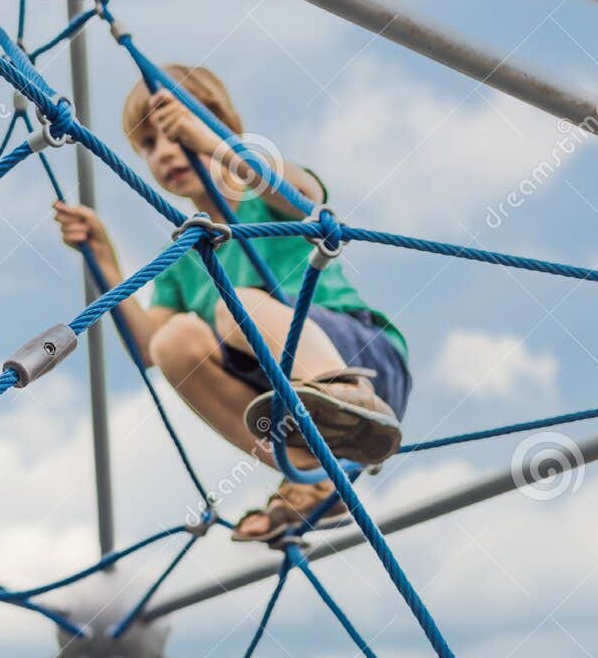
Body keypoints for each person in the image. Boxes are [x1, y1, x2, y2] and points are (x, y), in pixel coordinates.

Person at [52, 64, 411, 543]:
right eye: (150, 146)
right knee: (174, 340)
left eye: (174, 133)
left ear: (219, 124)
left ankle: (344, 396)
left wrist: (209, 142)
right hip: (288, 397)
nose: (165, 152)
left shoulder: (262, 196)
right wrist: (102, 257)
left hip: (360, 358)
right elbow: (147, 349)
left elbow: (307, 199)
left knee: (233, 305)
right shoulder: (184, 258)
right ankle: (312, 473)